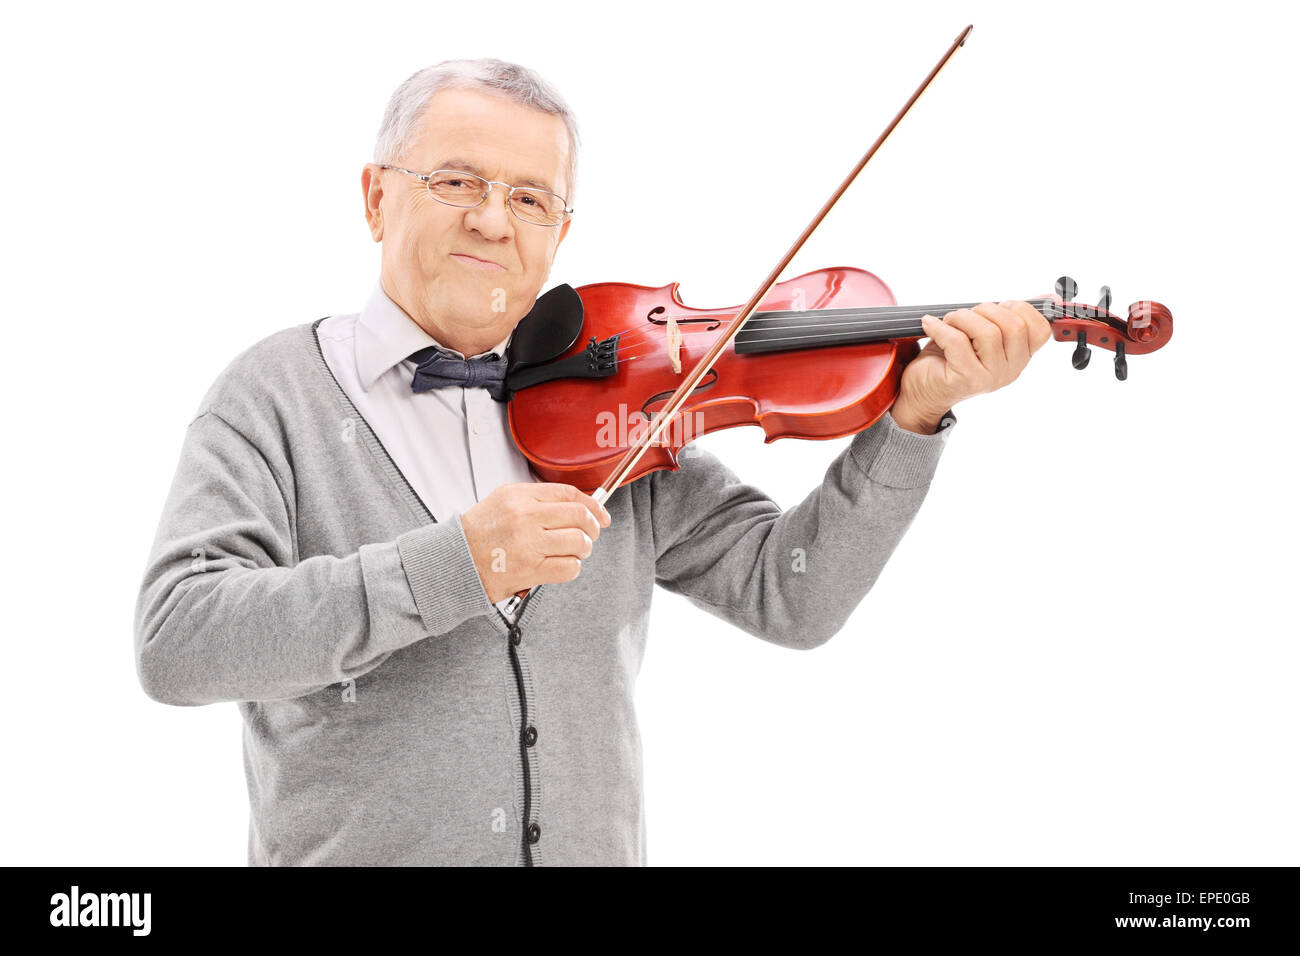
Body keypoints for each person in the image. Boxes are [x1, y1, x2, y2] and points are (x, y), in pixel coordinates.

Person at [133, 58, 1052, 866]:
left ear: (559, 233)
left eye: (532, 198)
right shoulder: (273, 394)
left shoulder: (631, 412)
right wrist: (462, 563)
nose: (495, 221)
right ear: (376, 196)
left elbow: (795, 595)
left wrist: (911, 419)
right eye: (458, 181)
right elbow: (179, 642)